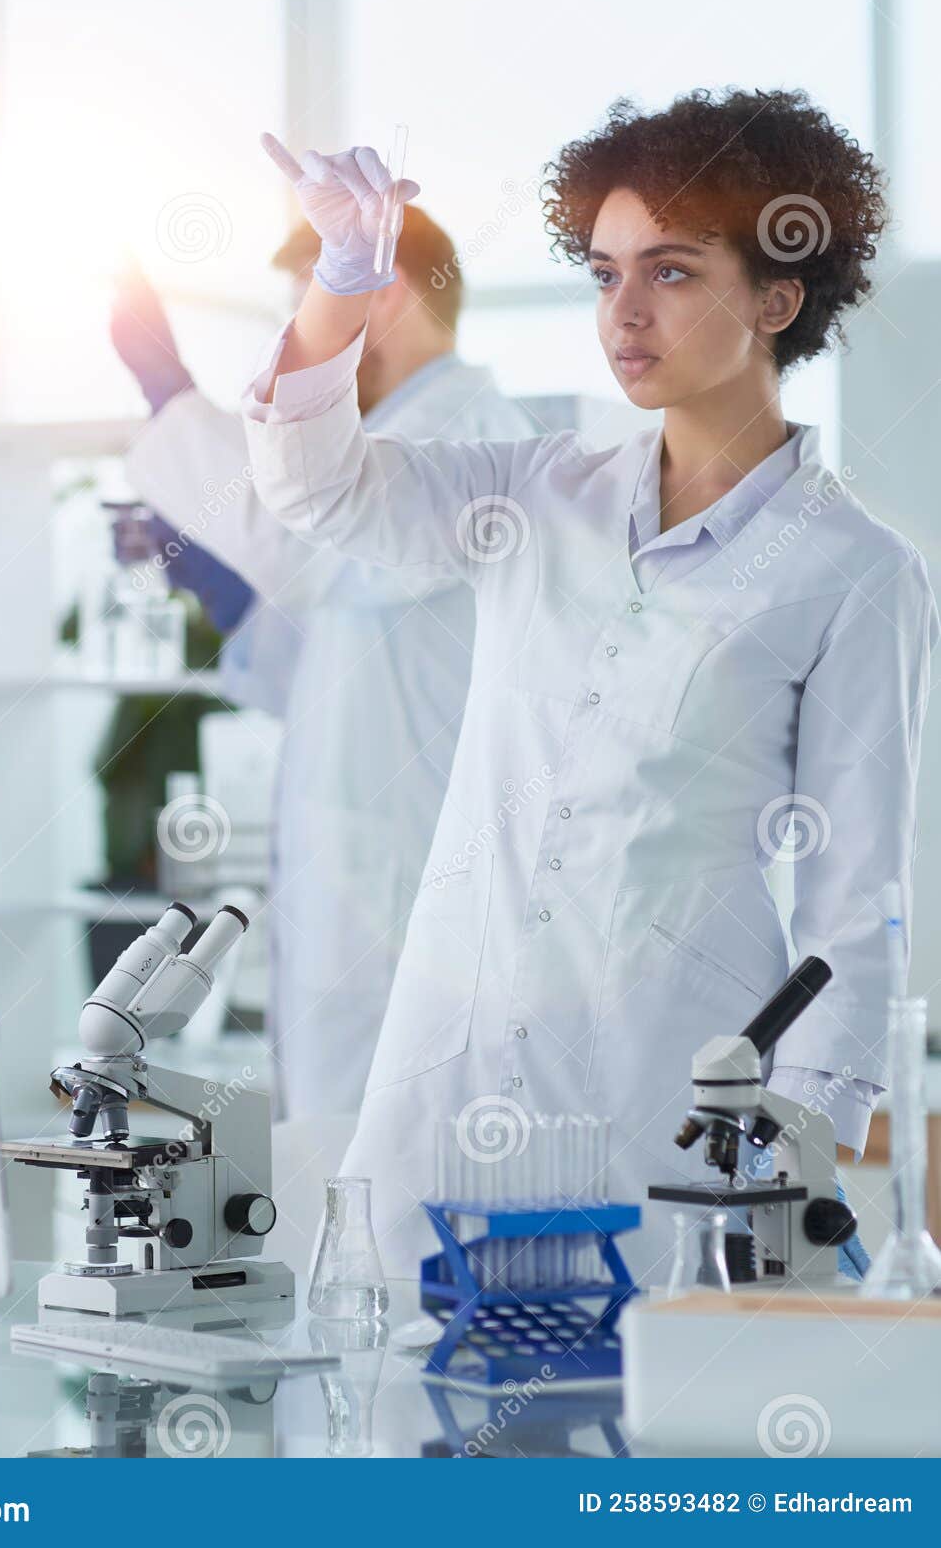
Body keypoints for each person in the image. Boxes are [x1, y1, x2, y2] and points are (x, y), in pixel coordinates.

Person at [240, 92, 938, 1283]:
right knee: (401, 1405)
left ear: (776, 296)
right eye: (605, 272)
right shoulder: (535, 493)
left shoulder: (853, 572)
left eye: (668, 272)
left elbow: (851, 909)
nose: (623, 311)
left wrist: (795, 1147)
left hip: (662, 1101)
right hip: (447, 1087)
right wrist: (345, 281)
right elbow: (316, 487)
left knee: (637, 1424)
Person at [110, 207, 540, 1116]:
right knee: (341, 1160)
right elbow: (325, 650)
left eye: (306, 318)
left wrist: (168, 394)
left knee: (383, 1169)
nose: (294, 351)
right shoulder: (406, 436)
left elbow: (309, 553)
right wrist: (223, 592)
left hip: (408, 887)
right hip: (365, 870)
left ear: (375, 296)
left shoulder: (457, 432)